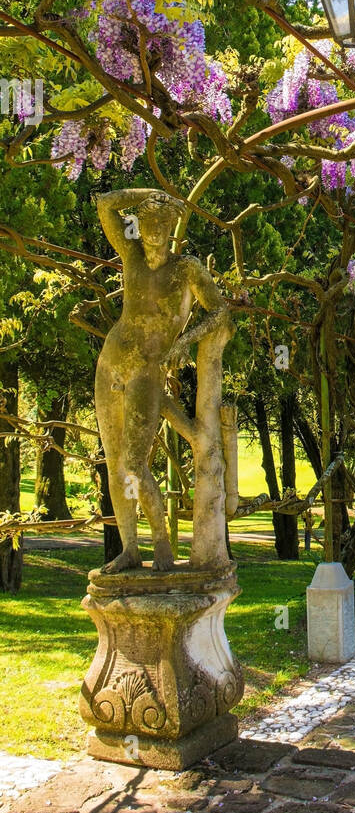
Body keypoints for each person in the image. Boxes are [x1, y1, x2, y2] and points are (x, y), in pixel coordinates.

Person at [94, 188, 231, 572]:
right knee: (114, 463)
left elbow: (219, 313)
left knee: (135, 461)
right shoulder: (132, 256)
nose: (153, 230)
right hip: (112, 360)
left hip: (146, 370)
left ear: (172, 227)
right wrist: (148, 193)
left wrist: (183, 343)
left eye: (161, 223)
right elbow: (106, 205)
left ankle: (160, 542)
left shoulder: (186, 269)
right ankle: (129, 548)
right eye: (147, 222)